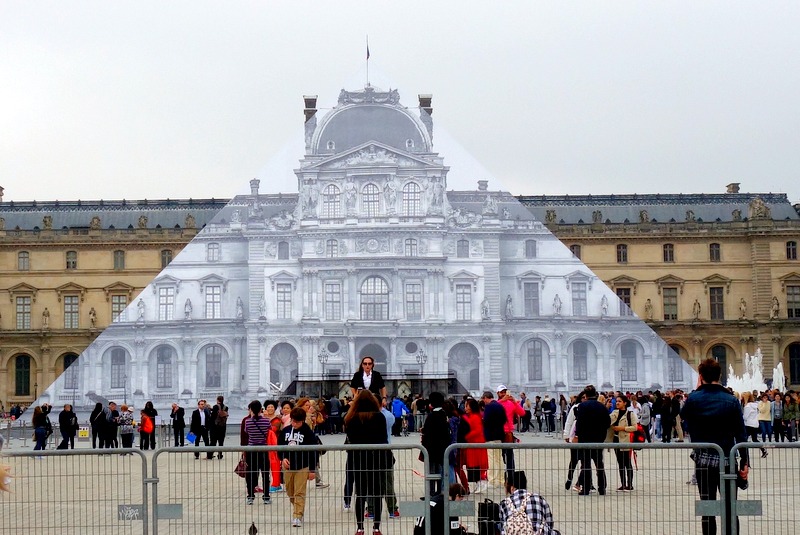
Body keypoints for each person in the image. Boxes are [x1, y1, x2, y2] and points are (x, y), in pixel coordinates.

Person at [681, 358, 750, 535]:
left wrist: (697, 389)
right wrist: (744, 461)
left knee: (708, 509)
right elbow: (741, 434)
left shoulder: (694, 399)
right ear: (720, 376)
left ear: (701, 376)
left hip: (703, 461)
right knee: (730, 508)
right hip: (728, 459)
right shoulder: (731, 400)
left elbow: (684, 420)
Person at [345, 389, 390, 535]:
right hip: (376, 459)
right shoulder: (379, 417)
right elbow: (384, 439)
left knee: (360, 494)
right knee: (377, 494)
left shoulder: (351, 418)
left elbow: (350, 439)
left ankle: (360, 527)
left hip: (358, 459)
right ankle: (376, 527)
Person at [277, 406, 317, 528]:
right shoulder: (286, 430)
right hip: (288, 466)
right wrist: (282, 458)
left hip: (302, 467)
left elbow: (314, 452)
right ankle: (297, 508)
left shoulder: (308, 433)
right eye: (292, 421)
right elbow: (280, 446)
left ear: (303, 421)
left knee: (299, 492)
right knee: (290, 492)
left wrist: (312, 469)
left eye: (297, 422)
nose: (294, 424)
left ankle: (297, 515)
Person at [574, 385, 610, 495]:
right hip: (598, 439)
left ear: (586, 395)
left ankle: (586, 488)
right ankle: (602, 487)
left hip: (585, 439)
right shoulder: (602, 406)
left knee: (586, 465)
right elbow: (607, 423)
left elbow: (579, 423)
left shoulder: (583, 406)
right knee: (599, 464)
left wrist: (578, 435)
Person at [499, 470, 561, 535]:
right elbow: (550, 523)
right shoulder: (539, 498)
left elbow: (502, 526)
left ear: (512, 488)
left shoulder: (504, 503)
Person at [240, 400, 272, 505]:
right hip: (263, 449)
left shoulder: (248, 421)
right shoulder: (266, 421)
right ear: (260, 409)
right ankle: (266, 496)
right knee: (265, 474)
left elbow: (247, 432)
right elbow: (269, 431)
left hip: (251, 450)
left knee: (251, 474)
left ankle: (250, 496)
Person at [421, 391, 451, 496]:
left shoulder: (431, 416)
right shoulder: (443, 415)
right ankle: (439, 491)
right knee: (439, 471)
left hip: (431, 449)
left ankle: (431, 492)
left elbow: (427, 433)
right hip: (442, 449)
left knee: (431, 472)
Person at [608, 394, 638, 491]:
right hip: (616, 440)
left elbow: (635, 427)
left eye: (620, 401)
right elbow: (607, 421)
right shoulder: (614, 413)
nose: (617, 403)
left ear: (625, 403)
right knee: (620, 463)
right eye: (617, 401)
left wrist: (623, 428)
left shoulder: (630, 414)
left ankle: (630, 484)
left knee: (627, 463)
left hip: (626, 440)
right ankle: (623, 483)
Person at [481, 390, 508, 488]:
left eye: (483, 400)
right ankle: (501, 479)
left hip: (490, 436)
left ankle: (492, 480)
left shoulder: (489, 407)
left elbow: (486, 420)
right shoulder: (500, 406)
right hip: (499, 435)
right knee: (499, 458)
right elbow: (505, 419)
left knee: (491, 459)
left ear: (486, 398)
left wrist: (484, 422)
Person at [462, 397, 489, 493]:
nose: (465, 408)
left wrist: (467, 437)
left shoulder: (475, 417)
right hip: (474, 443)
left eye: (467, 406)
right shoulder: (473, 416)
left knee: (478, 464)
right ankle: (479, 483)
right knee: (475, 465)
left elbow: (477, 430)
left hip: (476, 443)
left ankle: (482, 482)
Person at [498, 386, 525, 477]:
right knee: (500, 454)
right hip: (498, 432)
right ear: (498, 393)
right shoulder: (497, 403)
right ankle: (502, 474)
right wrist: (502, 400)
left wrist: (514, 401)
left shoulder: (511, 403)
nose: (503, 394)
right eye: (501, 392)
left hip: (508, 432)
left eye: (505, 392)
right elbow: (491, 408)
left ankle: (511, 474)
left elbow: (522, 413)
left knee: (509, 454)